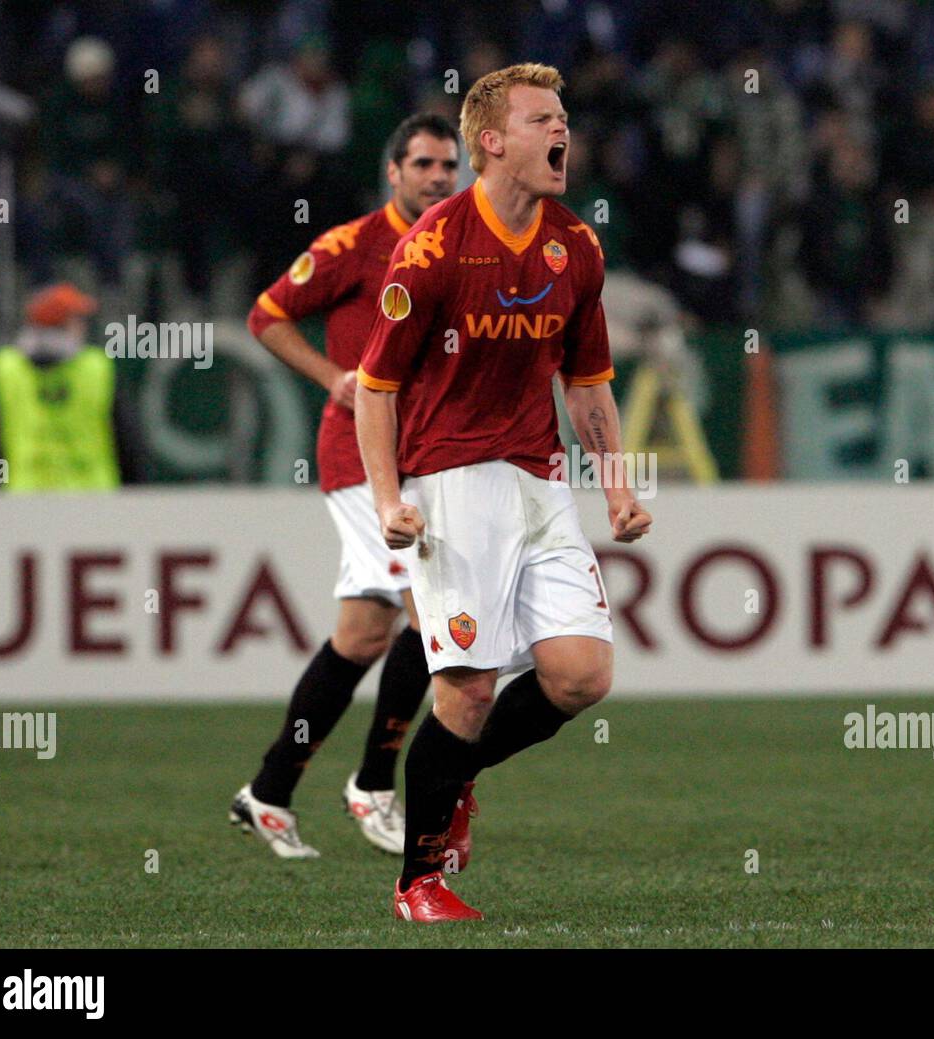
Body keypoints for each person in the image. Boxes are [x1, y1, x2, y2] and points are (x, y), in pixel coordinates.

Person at [356, 63, 652, 923]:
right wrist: (387, 502)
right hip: (451, 481)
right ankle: (418, 882)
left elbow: (589, 382)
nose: (563, 132)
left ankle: (460, 777)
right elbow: (376, 387)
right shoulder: (437, 246)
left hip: (541, 478)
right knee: (469, 688)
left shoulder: (575, 246)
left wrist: (618, 488)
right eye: (543, 119)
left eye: (564, 117)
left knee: (580, 675)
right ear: (493, 141)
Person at [229, 114, 460, 859]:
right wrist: (334, 379)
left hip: (423, 452)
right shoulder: (352, 245)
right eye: (423, 163)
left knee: (362, 635)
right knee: (434, 613)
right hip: (361, 459)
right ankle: (373, 783)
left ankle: (268, 791)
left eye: (447, 165)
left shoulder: (459, 244)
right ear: (393, 172)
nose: (437, 177)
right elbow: (266, 314)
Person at [0, 283, 145, 489]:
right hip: (94, 501)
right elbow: (129, 445)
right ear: (67, 325)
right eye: (77, 319)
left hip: (24, 503)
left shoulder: (5, 371)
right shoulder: (97, 369)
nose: (83, 326)